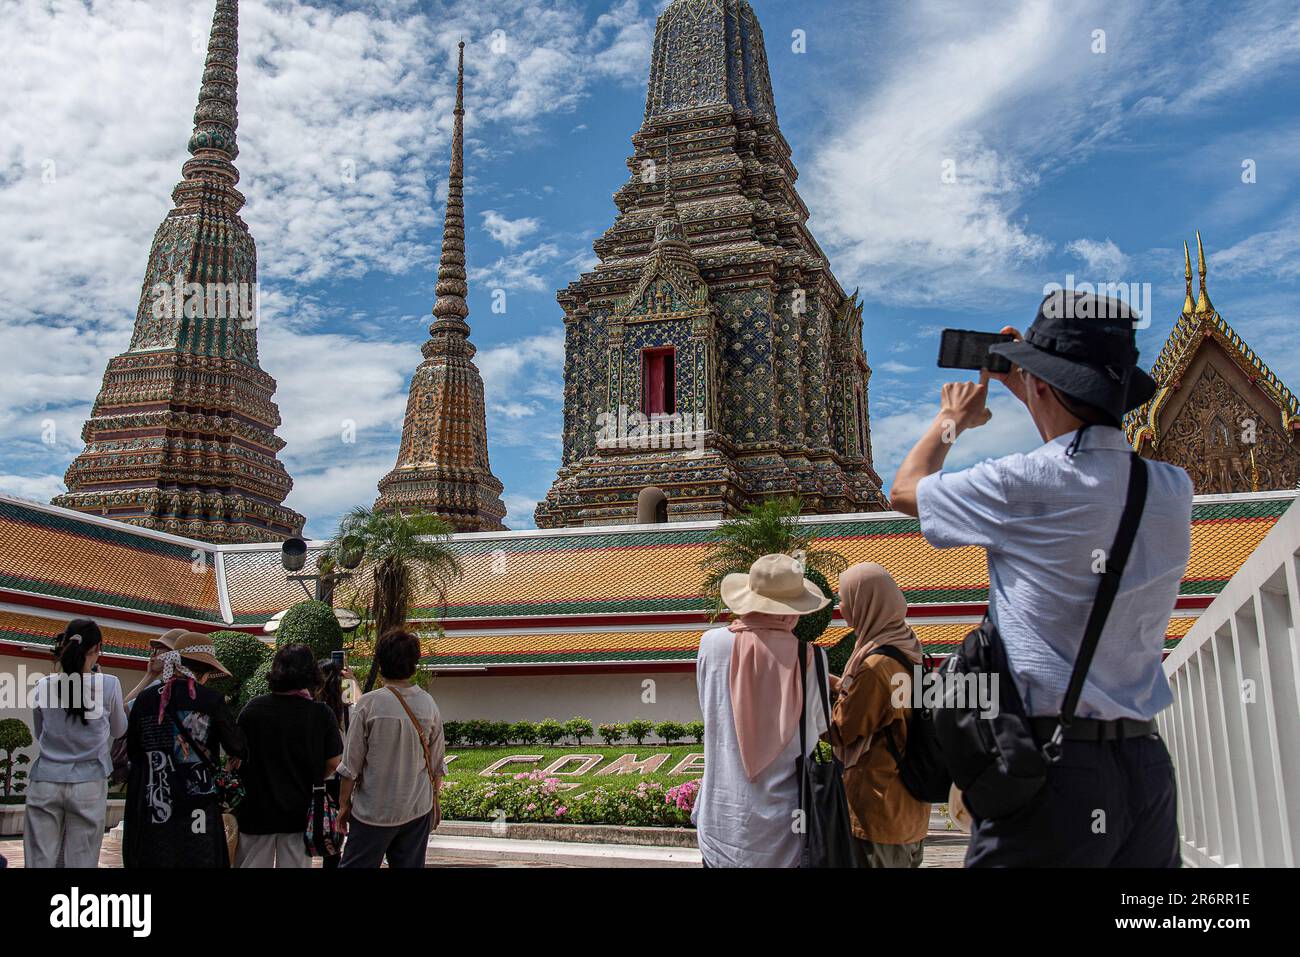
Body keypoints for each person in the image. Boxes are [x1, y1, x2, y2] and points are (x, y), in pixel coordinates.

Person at [890, 290, 1192, 867]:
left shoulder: (1023, 484)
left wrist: (952, 420)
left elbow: (905, 489)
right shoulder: (1171, 489)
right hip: (1145, 769)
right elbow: (1085, 472)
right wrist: (1036, 384)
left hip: (1051, 770)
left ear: (1044, 386)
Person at [692, 553, 832, 868]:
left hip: (721, 822)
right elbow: (819, 729)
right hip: (787, 830)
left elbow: (710, 709)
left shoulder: (710, 645)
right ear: (792, 612)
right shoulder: (812, 659)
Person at [828, 563, 930, 867]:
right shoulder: (908, 647)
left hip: (878, 807)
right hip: (910, 804)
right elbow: (887, 707)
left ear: (866, 602)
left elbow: (841, 730)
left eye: (845, 598)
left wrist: (802, 700)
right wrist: (842, 685)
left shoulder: (875, 666)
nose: (841, 606)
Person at [122, 631, 247, 868]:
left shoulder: (146, 699)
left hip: (154, 802)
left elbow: (133, 750)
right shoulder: (210, 700)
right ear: (203, 672)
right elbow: (237, 745)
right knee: (197, 858)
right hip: (196, 802)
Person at [24, 619, 128, 868]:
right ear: (97, 648)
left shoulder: (43, 686)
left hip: (46, 779)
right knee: (81, 859)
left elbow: (40, 733)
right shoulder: (109, 684)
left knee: (39, 858)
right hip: (88, 782)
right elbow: (119, 729)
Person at [337, 630, 446, 868]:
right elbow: (438, 763)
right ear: (414, 665)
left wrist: (344, 804)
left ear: (381, 662)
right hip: (417, 807)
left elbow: (350, 765)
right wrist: (434, 799)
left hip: (374, 811)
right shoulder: (428, 703)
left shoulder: (369, 704)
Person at [235, 644, 342, 868]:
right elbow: (334, 762)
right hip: (300, 811)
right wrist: (314, 775)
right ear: (311, 674)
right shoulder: (321, 714)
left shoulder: (253, 709)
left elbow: (235, 756)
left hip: (255, 811)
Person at [314, 657, 352, 868]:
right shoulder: (346, 709)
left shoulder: (311, 707)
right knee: (335, 833)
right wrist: (352, 683)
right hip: (338, 777)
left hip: (314, 775)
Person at [124, 629, 186, 707]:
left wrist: (150, 676)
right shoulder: (158, 685)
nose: (152, 656)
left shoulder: (160, 689)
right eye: (153, 650)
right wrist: (150, 675)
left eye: (157, 651)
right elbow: (122, 710)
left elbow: (123, 712)